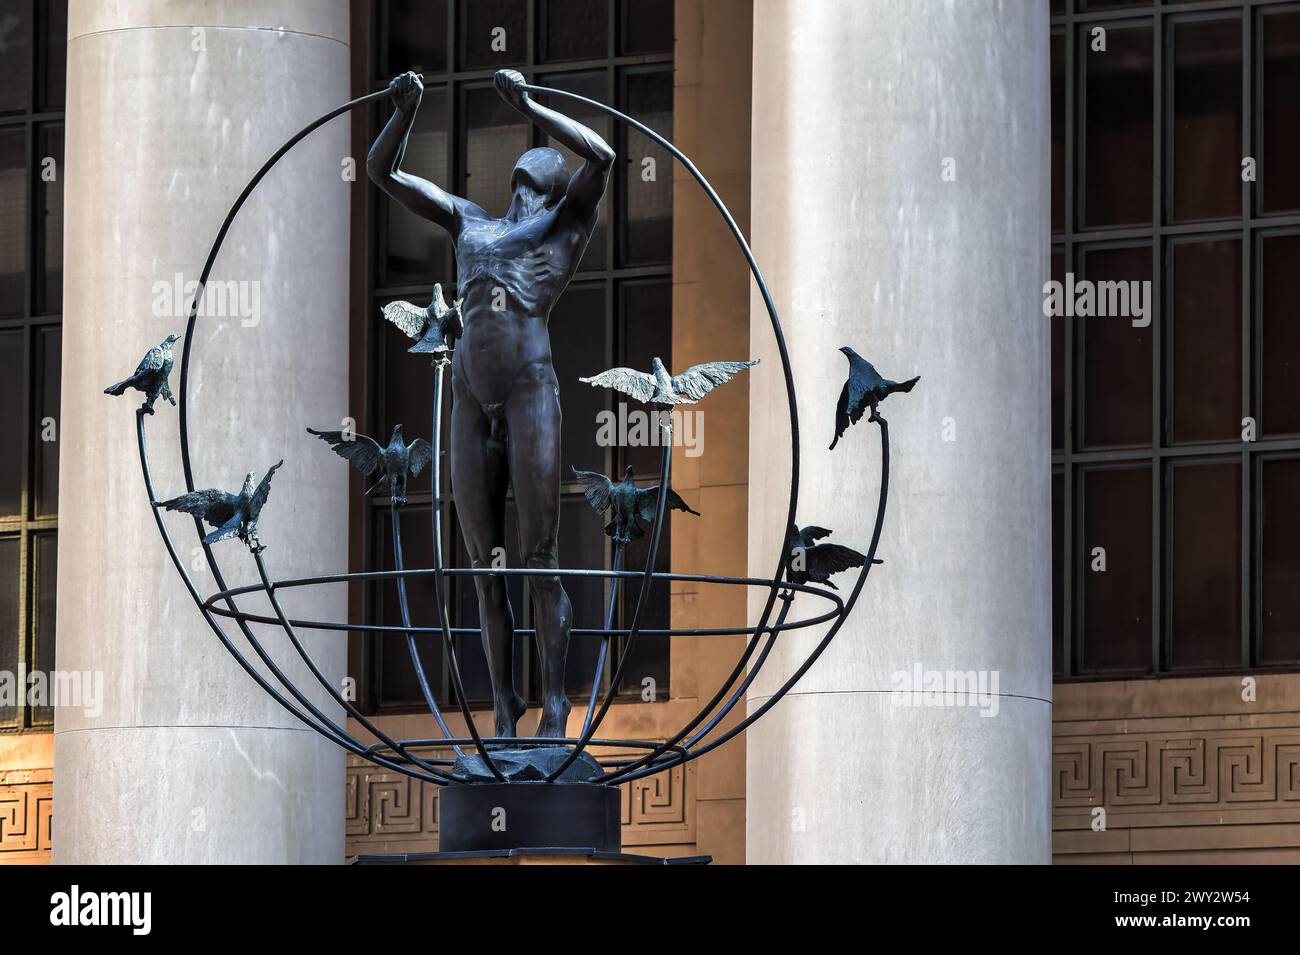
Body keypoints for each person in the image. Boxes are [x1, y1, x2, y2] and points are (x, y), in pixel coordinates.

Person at [367, 69, 614, 738]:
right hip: (472, 401)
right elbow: (381, 170)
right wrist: (406, 108)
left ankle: (556, 702)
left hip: (532, 391)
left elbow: (605, 155)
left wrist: (530, 103)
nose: (532, 193)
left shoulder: (565, 227)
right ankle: (504, 704)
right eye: (528, 184)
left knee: (540, 557)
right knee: (484, 566)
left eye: (543, 185)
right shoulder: (471, 223)